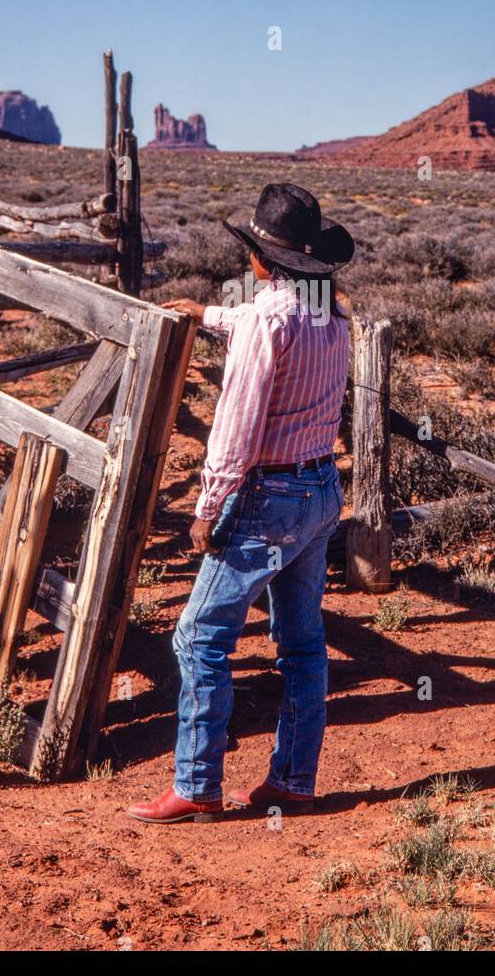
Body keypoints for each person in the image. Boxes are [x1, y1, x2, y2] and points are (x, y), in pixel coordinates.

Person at [129, 183, 354, 824]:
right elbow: (256, 325)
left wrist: (209, 505)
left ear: (263, 259)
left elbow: (237, 423)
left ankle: (197, 784)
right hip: (319, 490)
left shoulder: (268, 320)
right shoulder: (327, 312)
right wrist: (209, 313)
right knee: (304, 643)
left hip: (268, 497)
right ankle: (294, 779)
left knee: (199, 635)